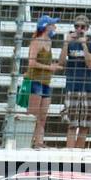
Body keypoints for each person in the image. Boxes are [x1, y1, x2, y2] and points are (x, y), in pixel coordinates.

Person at [59, 13, 91, 148]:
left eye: (82, 27)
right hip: (72, 85)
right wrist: (66, 43)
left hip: (87, 86)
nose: (79, 29)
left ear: (87, 28)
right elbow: (61, 63)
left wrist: (84, 46)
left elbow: (90, 64)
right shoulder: (70, 43)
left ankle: (79, 153)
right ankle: (70, 153)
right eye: (77, 26)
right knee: (72, 123)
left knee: (85, 124)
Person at [26, 15, 58, 148]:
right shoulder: (36, 42)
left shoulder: (49, 42)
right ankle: (28, 141)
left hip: (46, 81)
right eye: (52, 25)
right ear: (46, 27)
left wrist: (53, 67)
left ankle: (39, 141)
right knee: (33, 115)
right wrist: (49, 67)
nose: (55, 28)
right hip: (35, 80)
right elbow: (31, 62)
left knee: (43, 115)